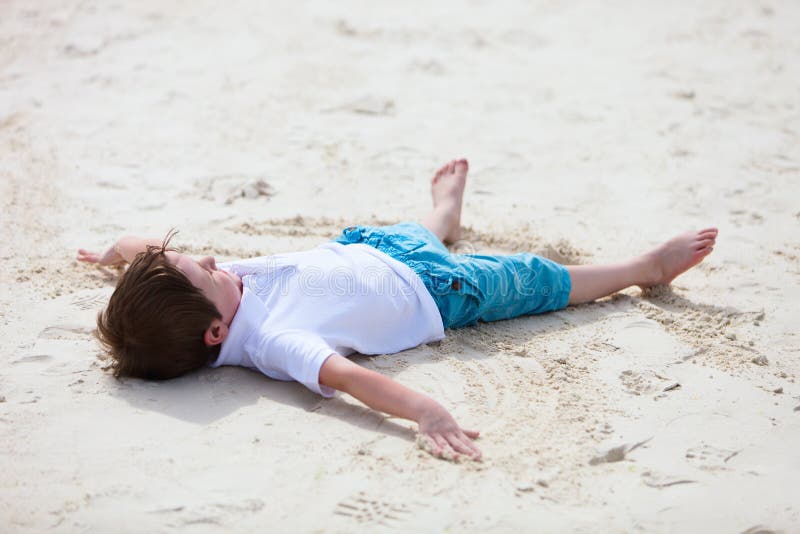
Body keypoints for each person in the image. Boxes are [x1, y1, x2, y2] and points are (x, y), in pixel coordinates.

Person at [77, 159, 717, 461]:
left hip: (373, 247)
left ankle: (444, 217)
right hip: (439, 293)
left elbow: (153, 250)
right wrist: (427, 412)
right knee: (535, 278)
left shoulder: (211, 294)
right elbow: (351, 379)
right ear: (217, 332)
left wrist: (117, 253)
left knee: (422, 230)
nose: (215, 260)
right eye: (205, 271)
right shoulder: (272, 340)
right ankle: (642, 270)